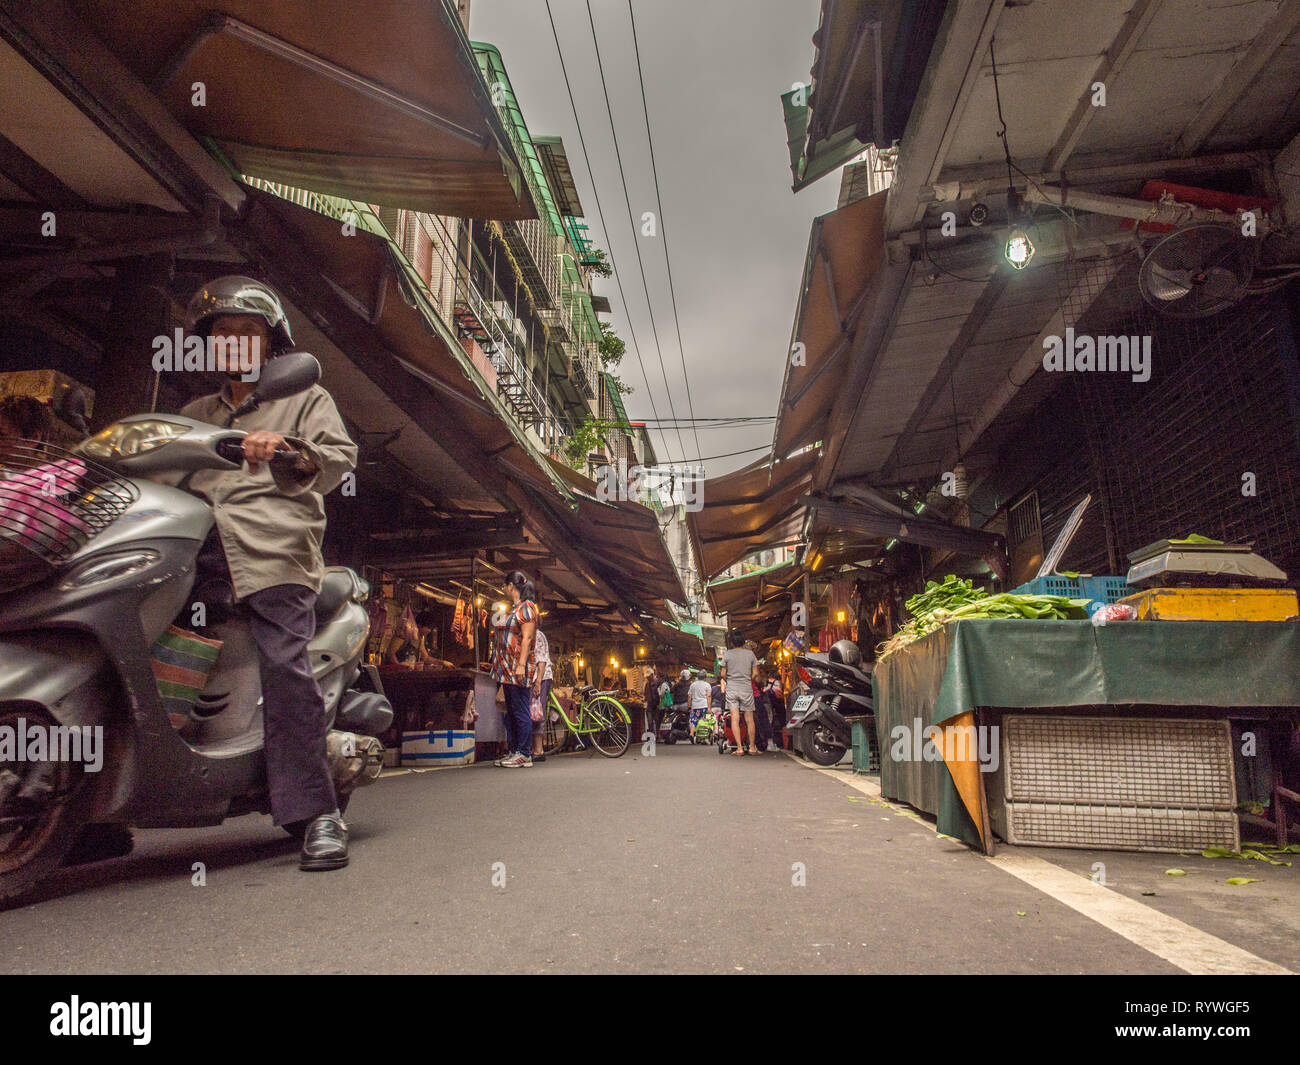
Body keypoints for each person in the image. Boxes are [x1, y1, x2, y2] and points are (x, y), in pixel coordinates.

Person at [179, 275, 358, 870]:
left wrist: (285, 449)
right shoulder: (194, 414)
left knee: (284, 664)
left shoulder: (305, 400)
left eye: (245, 331)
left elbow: (336, 459)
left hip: (272, 551)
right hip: (198, 553)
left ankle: (317, 813)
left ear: (269, 342)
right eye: (220, 332)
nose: (232, 340)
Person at [491, 570, 537, 767]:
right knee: (511, 711)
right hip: (506, 669)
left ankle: (524, 753)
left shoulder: (527, 608)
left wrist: (520, 665)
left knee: (520, 710)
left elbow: (526, 638)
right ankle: (514, 751)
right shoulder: (514, 609)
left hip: (518, 668)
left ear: (511, 586)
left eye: (504, 586)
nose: (504, 589)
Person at [720, 630, 759, 756]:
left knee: (735, 718)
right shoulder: (750, 654)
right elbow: (756, 674)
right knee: (749, 718)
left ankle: (740, 748)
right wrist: (747, 679)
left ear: (732, 642)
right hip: (746, 688)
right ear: (743, 641)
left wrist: (730, 680)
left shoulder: (727, 654)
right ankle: (752, 748)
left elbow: (723, 674)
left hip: (732, 689)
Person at [529, 606, 553, 763]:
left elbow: (542, 661)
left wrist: (538, 682)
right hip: (532, 679)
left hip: (541, 677)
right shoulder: (527, 635)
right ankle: (533, 748)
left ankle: (538, 749)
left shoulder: (538, 635)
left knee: (537, 712)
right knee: (532, 712)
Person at [765, 672, 788, 750]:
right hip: (779, 702)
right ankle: (784, 743)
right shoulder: (779, 682)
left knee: (769, 721)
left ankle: (769, 742)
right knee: (783, 722)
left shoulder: (767, 681)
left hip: (768, 702)